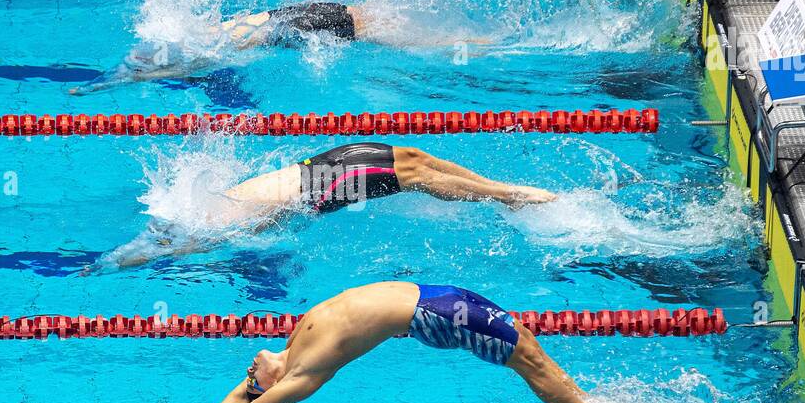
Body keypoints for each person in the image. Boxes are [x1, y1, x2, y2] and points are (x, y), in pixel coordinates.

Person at [197, 281, 615, 403]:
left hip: (440, 296)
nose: (249, 374)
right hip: (438, 315)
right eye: (256, 379)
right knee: (530, 366)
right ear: (277, 387)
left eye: (250, 376)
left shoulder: (292, 349)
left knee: (529, 348)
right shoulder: (304, 374)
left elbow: (245, 397)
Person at [104, 143, 556, 268]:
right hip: (318, 180)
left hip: (317, 170)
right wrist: (114, 262)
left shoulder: (207, 219)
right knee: (414, 173)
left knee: (414, 161)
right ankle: (508, 196)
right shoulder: (211, 225)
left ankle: (503, 192)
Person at [70, 1, 491, 92]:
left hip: (302, 25)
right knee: (379, 22)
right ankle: (476, 41)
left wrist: (92, 88)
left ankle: (482, 46)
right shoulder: (198, 33)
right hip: (293, 13)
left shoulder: (199, 54)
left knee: (401, 40)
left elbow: (150, 74)